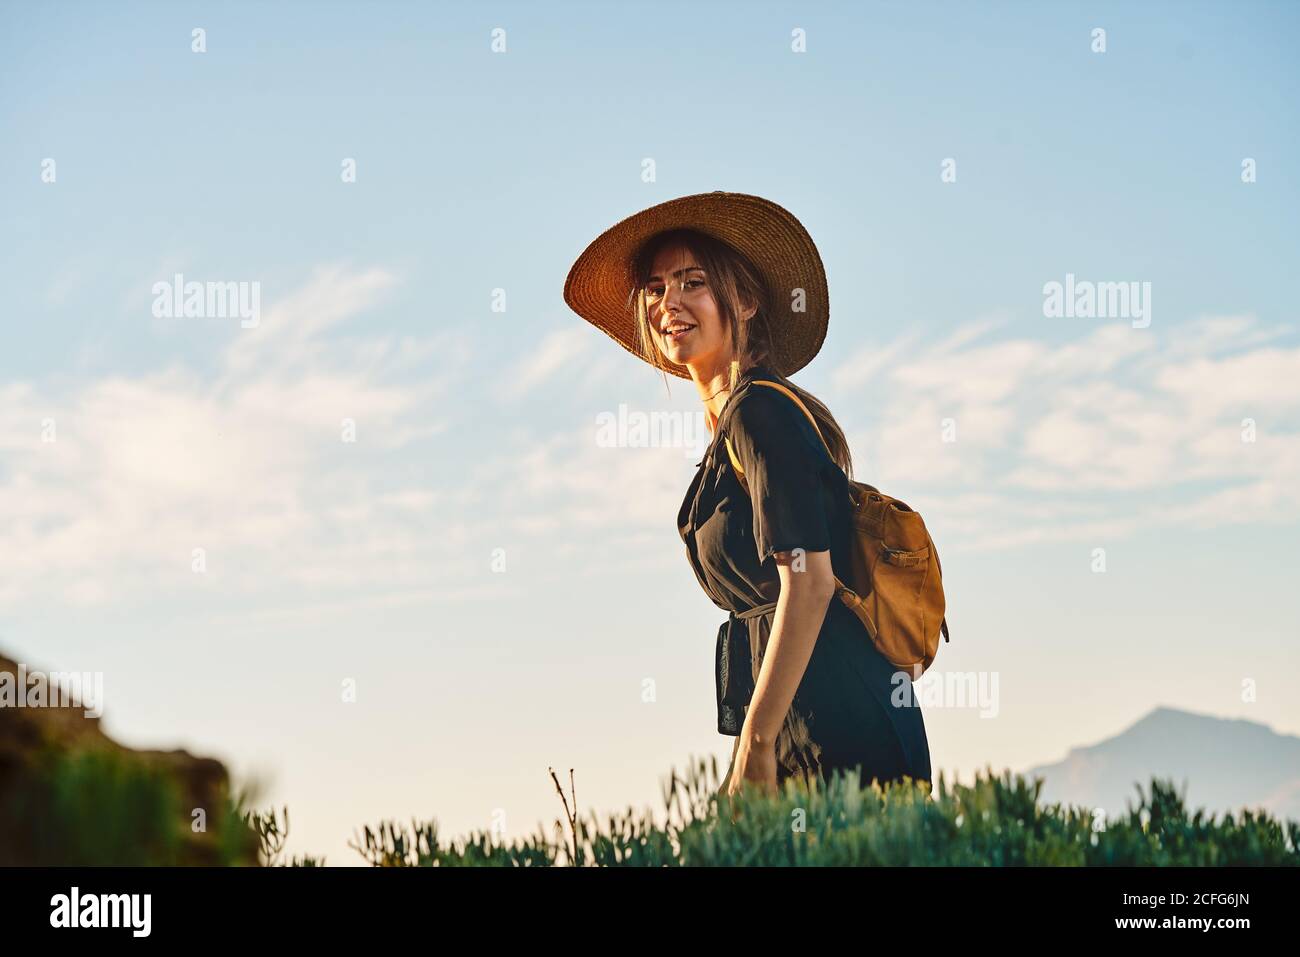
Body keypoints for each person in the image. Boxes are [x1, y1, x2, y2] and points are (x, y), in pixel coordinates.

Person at [564, 191, 931, 799]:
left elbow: (809, 582)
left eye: (693, 282)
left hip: (836, 727)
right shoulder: (736, 427)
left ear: (747, 300)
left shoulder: (758, 412)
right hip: (794, 720)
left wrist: (757, 745)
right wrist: (757, 742)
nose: (668, 303)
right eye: (655, 288)